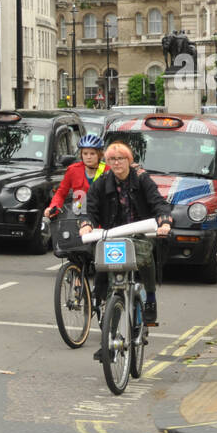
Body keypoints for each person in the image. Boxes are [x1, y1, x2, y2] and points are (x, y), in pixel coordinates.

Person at [79, 141, 173, 329]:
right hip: (112, 234)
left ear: (129, 160)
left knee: (145, 255)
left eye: (120, 158)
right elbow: (90, 209)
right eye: (112, 159)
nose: (116, 163)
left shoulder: (141, 178)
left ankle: (150, 298)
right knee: (106, 271)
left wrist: (164, 222)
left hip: (140, 232)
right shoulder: (102, 182)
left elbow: (158, 202)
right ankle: (109, 333)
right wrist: (86, 224)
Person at [45, 134, 107, 219]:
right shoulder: (73, 170)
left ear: (99, 155)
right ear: (81, 154)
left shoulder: (108, 170)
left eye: (92, 154)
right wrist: (53, 207)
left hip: (101, 218)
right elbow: (60, 193)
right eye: (85, 153)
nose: (88, 157)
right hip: (78, 217)